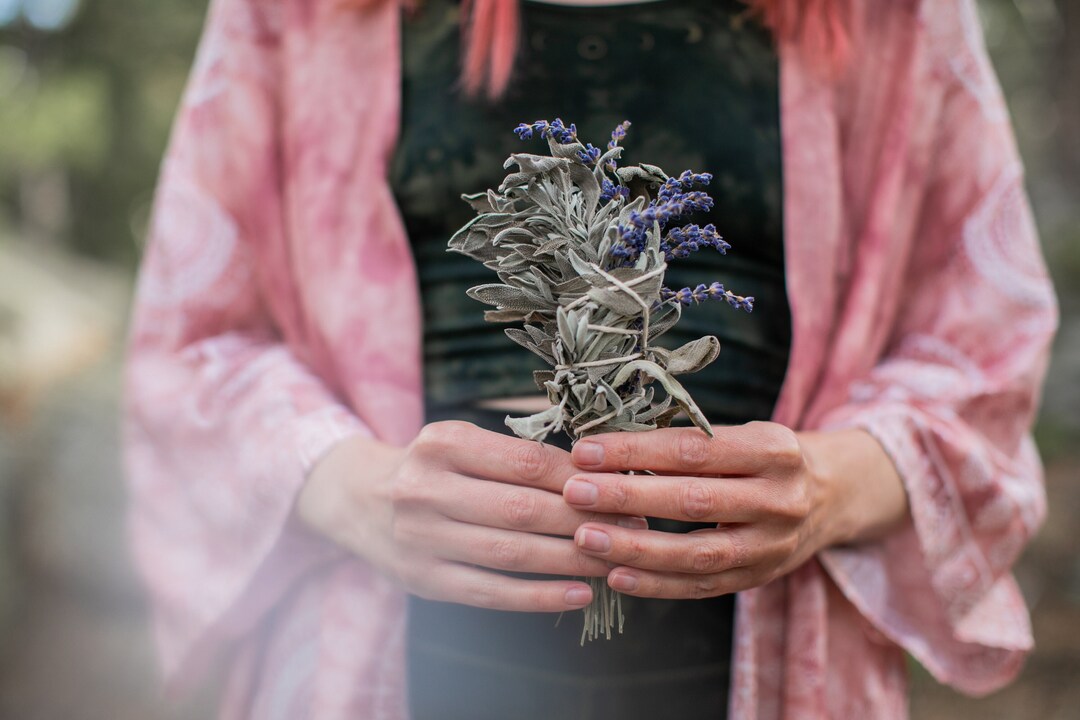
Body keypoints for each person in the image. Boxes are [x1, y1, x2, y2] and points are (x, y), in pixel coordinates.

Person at [123, 0, 1058, 718]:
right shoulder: (300, 15)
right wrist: (350, 487)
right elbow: (193, 340)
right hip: (384, 666)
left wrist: (829, 487)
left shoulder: (893, 17)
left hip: (764, 675)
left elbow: (986, 351)